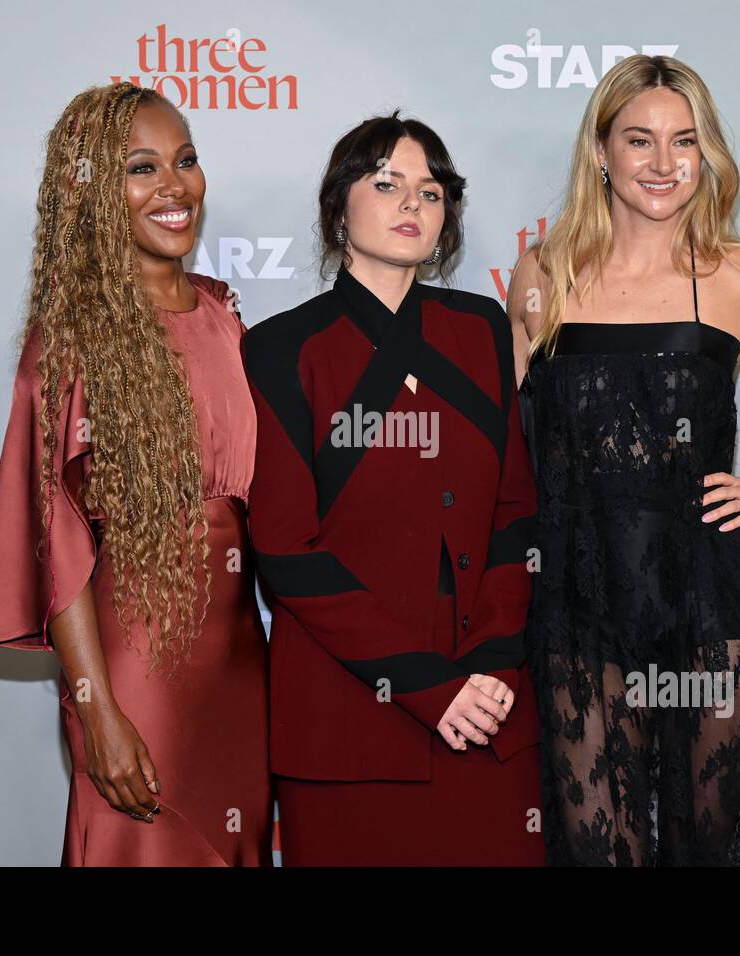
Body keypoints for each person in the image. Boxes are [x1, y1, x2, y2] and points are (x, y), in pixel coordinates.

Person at [509, 55, 740, 865]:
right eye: (639, 140)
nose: (664, 164)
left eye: (685, 141)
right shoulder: (544, 272)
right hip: (579, 598)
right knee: (595, 849)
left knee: (712, 849)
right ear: (600, 152)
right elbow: (512, 442)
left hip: (708, 602)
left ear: (706, 154)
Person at [0, 81, 272, 866]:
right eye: (142, 168)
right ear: (94, 192)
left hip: (242, 669)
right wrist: (97, 710)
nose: (175, 187)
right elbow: (58, 550)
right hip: (138, 670)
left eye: (186, 160)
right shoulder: (68, 345)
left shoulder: (225, 316)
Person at [242, 111, 544, 865]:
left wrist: (494, 665)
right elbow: (286, 548)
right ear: (338, 208)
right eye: (387, 184)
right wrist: (427, 688)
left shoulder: (477, 328)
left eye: (431, 191)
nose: (413, 204)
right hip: (350, 725)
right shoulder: (282, 348)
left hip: (490, 712)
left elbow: (515, 513)